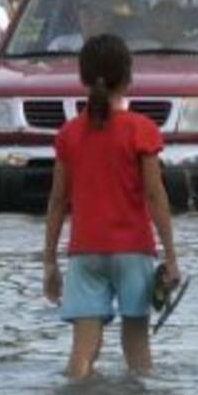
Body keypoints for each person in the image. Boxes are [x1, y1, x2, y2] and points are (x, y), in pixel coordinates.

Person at [43, 34, 180, 377]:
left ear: (83, 79)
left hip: (84, 253)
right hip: (133, 250)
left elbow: (58, 201)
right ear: (129, 77)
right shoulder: (142, 130)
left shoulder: (69, 134)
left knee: (82, 350)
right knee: (137, 349)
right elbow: (154, 196)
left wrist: (49, 262)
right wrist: (171, 255)